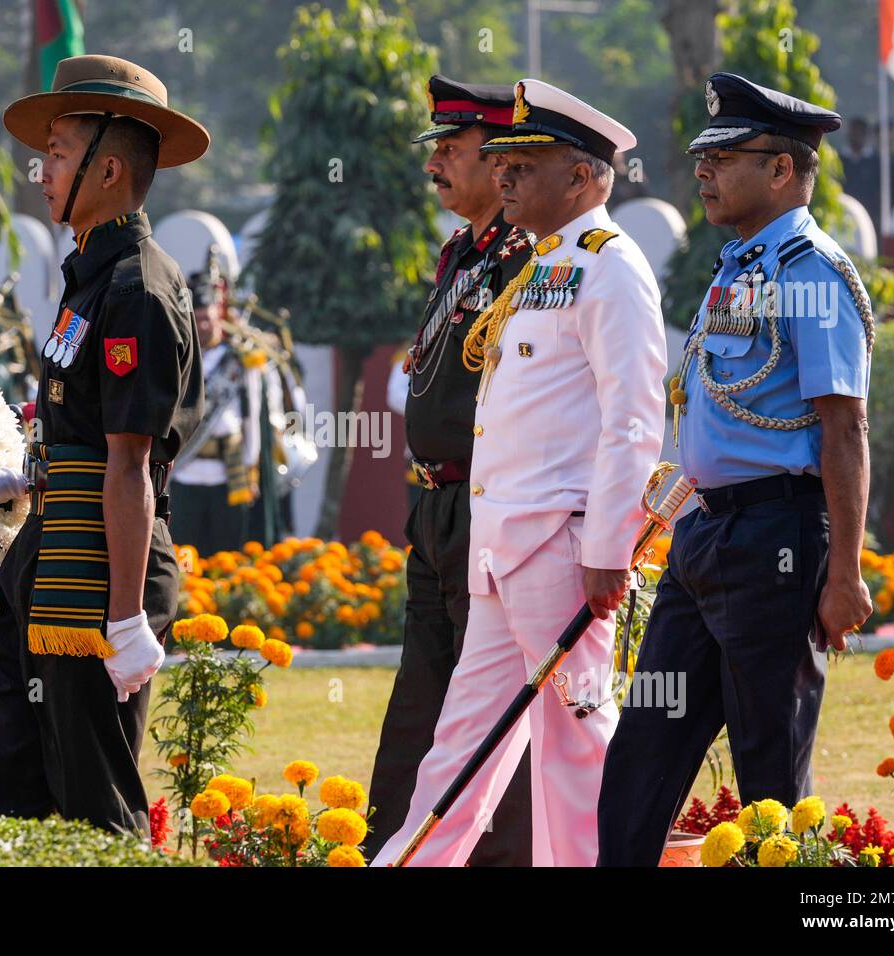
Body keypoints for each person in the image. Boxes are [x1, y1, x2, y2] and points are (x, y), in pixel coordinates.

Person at [372, 79, 667, 867]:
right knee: (463, 743)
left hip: (566, 548)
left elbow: (633, 421)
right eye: (499, 161)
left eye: (523, 162)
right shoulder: (542, 264)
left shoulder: (611, 265)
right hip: (504, 545)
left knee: (575, 744)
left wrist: (610, 547)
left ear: (581, 174)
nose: (502, 175)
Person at [597, 72, 875, 866]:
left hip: (778, 534)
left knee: (769, 772)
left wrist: (844, 572)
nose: (704, 171)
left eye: (725, 156)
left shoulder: (811, 272)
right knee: (644, 752)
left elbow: (844, 425)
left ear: (781, 170)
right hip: (705, 534)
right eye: (702, 156)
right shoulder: (736, 267)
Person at [0, 55, 206, 836]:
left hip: (101, 575)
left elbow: (130, 462)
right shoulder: (90, 275)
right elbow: (80, 433)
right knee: (3, 793)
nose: (41, 171)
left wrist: (129, 619)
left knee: (95, 807)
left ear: (107, 167)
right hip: (53, 553)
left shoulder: (136, 286)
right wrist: (14, 476)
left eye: (58, 153)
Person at [363, 75, 537, 866]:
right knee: (421, 702)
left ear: (501, 161)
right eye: (434, 147)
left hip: (488, 504)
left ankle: (502, 857)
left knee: (494, 710)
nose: (435, 162)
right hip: (437, 508)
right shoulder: (462, 254)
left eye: (451, 147)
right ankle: (391, 848)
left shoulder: (524, 255)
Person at [168, 264, 262, 556]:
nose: (204, 326)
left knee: (228, 554)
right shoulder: (177, 358)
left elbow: (252, 415)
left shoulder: (238, 359)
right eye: (197, 320)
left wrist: (250, 465)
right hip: (185, 471)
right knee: (185, 558)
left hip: (229, 471)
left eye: (208, 319)